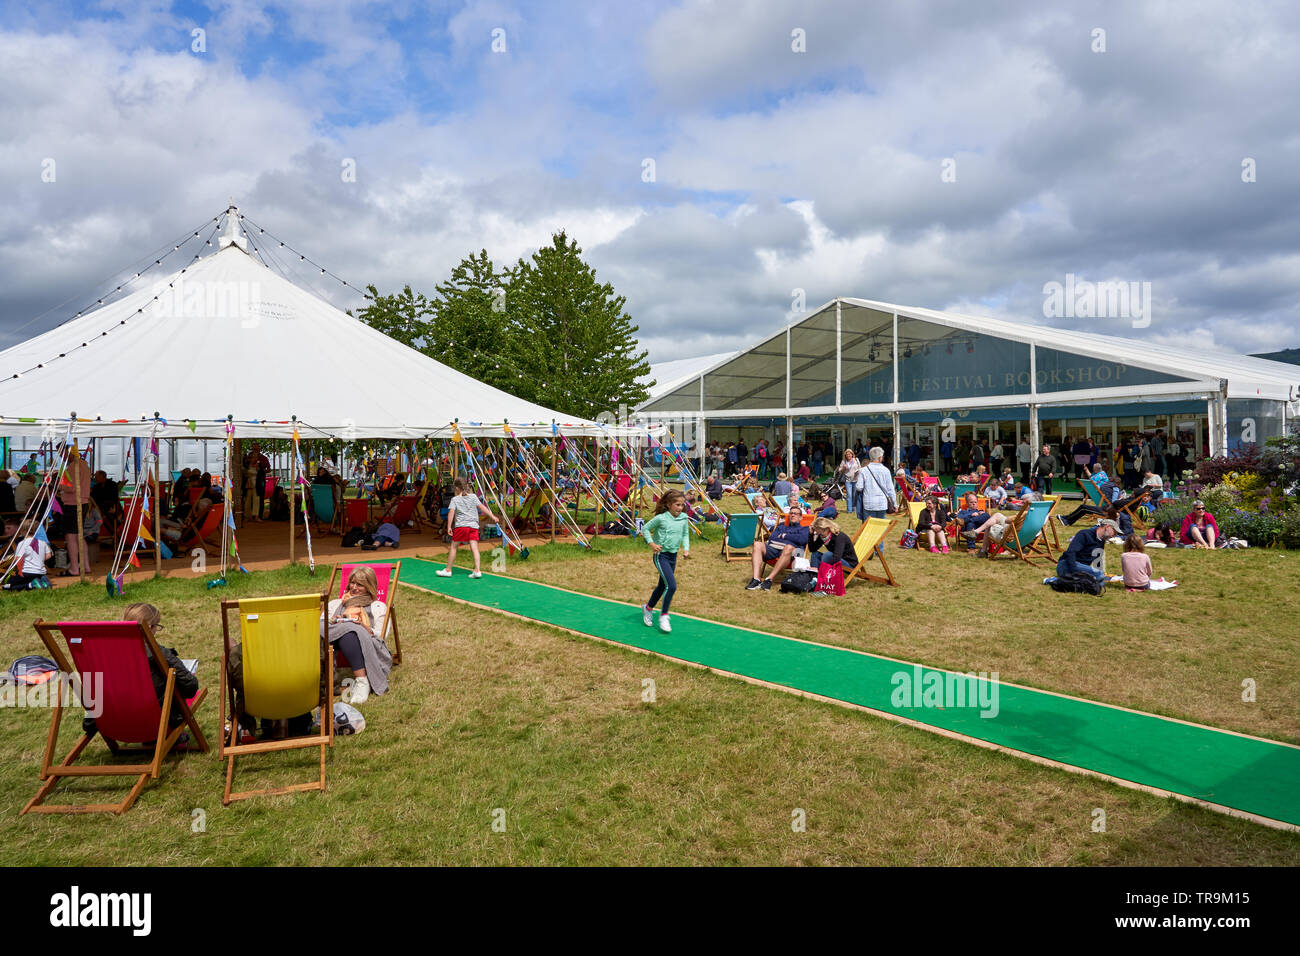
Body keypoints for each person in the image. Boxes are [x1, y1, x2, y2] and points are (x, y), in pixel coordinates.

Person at [322, 564, 393, 705]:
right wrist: (334, 620)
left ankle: (362, 682)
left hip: (360, 641)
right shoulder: (335, 604)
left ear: (369, 587)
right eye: (352, 583)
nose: (354, 587)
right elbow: (321, 625)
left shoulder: (377, 607)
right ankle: (321, 680)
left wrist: (363, 627)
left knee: (350, 631)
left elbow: (381, 636)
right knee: (327, 628)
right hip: (333, 638)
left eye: (360, 584)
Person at [121, 603, 199, 728]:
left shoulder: (109, 653)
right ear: (150, 627)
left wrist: (92, 722)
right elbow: (190, 688)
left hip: (122, 719)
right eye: (157, 626)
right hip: (159, 720)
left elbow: (96, 687)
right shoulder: (159, 653)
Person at [640, 489, 690, 633]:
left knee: (662, 586)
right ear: (668, 504)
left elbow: (685, 534)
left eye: (682, 505)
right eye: (677, 505)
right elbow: (645, 528)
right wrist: (652, 544)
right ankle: (664, 616)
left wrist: (686, 549)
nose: (680, 508)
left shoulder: (684, 518)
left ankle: (648, 608)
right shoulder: (661, 518)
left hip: (673, 556)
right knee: (672, 586)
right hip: (660, 556)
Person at [437, 477, 501, 578]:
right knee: (474, 548)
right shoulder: (474, 497)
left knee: (454, 547)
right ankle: (477, 570)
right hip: (473, 527)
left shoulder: (455, 499)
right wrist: (492, 516)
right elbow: (483, 507)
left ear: (457, 488)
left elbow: (451, 513)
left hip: (461, 527)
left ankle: (448, 570)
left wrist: (449, 526)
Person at [746, 501, 809, 591]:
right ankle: (756, 579)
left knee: (789, 547)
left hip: (791, 554)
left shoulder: (804, 529)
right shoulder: (781, 526)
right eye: (791, 513)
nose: (792, 515)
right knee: (757, 544)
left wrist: (784, 536)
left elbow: (802, 539)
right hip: (774, 548)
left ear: (800, 517)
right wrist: (792, 538)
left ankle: (769, 579)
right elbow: (772, 539)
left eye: (795, 514)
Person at [58, 446, 93, 577]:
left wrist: (59, 486)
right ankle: (86, 565)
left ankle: (74, 568)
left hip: (73, 503)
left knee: (70, 536)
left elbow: (71, 487)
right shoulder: (84, 464)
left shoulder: (73, 466)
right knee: (79, 535)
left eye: (61, 453)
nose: (61, 457)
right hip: (82, 502)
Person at [1056, 518, 1120, 583]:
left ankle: (1065, 581)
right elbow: (1071, 553)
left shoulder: (1101, 542)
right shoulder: (1084, 534)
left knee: (1100, 583)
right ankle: (1057, 581)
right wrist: (1075, 572)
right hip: (1067, 565)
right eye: (1114, 532)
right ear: (1107, 527)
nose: (1114, 536)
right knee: (1099, 575)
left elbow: (1097, 562)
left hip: (1081, 568)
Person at [806, 516, 857, 595]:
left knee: (828, 555)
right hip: (836, 560)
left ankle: (822, 582)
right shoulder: (824, 536)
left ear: (827, 529)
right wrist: (811, 534)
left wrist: (823, 569)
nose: (819, 534)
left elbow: (836, 558)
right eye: (816, 532)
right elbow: (812, 549)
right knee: (815, 554)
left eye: (819, 532)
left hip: (849, 564)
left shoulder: (839, 537)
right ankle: (814, 579)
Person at [4, 520, 52, 589]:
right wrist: (38, 559)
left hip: (27, 572)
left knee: (9, 585)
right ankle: (44, 582)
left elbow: (18, 559)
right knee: (28, 579)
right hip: (41, 572)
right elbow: (49, 555)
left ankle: (31, 585)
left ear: (23, 531)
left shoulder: (22, 543)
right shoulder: (42, 542)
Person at [858, 446, 896, 519]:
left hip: (868, 502)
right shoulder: (886, 470)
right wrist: (895, 503)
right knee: (880, 526)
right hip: (882, 503)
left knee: (869, 527)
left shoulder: (863, 470)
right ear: (880, 458)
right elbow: (890, 489)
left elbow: (859, 487)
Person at [241, 444, 270, 521]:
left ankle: (257, 515)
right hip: (248, 484)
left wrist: (260, 470)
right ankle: (247, 516)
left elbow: (266, 470)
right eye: (254, 457)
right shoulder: (247, 463)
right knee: (247, 500)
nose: (255, 458)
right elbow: (243, 471)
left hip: (257, 484)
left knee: (257, 499)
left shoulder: (262, 460)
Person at [836, 450, 861, 517]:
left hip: (856, 480)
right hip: (848, 480)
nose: (848, 456)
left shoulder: (856, 460)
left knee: (854, 495)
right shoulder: (844, 461)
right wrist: (843, 468)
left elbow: (860, 468)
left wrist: (859, 471)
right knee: (849, 495)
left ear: (852, 454)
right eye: (847, 455)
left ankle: (854, 508)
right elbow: (839, 471)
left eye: (849, 454)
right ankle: (849, 510)